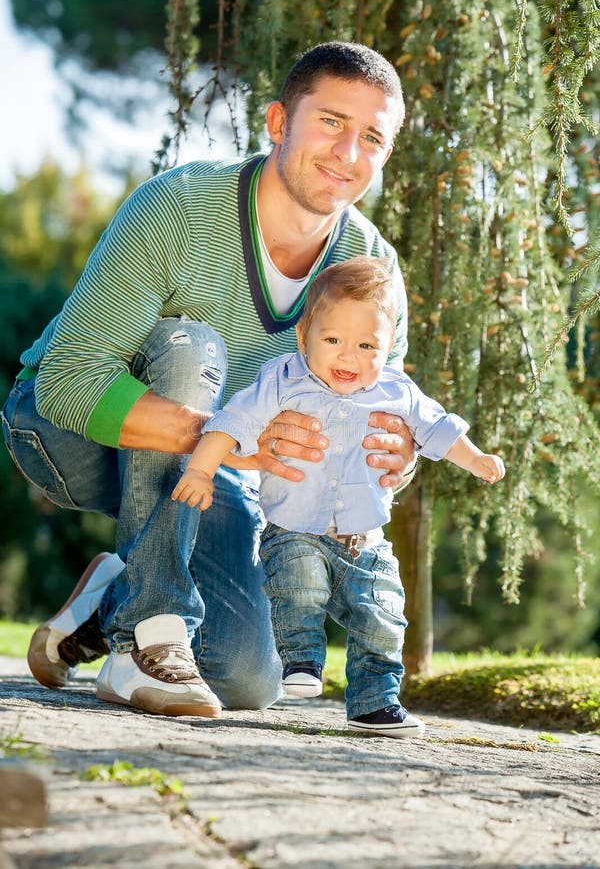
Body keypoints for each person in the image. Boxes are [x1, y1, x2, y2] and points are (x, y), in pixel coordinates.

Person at [1, 41, 418, 718]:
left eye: (372, 137)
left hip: (206, 466)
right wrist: (229, 439)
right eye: (332, 122)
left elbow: (375, 414)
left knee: (252, 680)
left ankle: (113, 595)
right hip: (61, 432)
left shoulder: (372, 265)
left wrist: (392, 457)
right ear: (279, 122)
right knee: (190, 346)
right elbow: (69, 381)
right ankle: (145, 635)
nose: (349, 152)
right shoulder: (180, 207)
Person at [171, 257, 505, 738]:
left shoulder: (397, 391)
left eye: (367, 345)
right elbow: (233, 422)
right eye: (333, 341)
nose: (349, 357)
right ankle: (303, 658)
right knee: (300, 586)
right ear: (304, 333)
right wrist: (202, 470)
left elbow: (438, 427)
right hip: (294, 529)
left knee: (383, 617)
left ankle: (375, 701)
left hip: (364, 539)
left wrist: (475, 459)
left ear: (389, 348)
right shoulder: (282, 379)